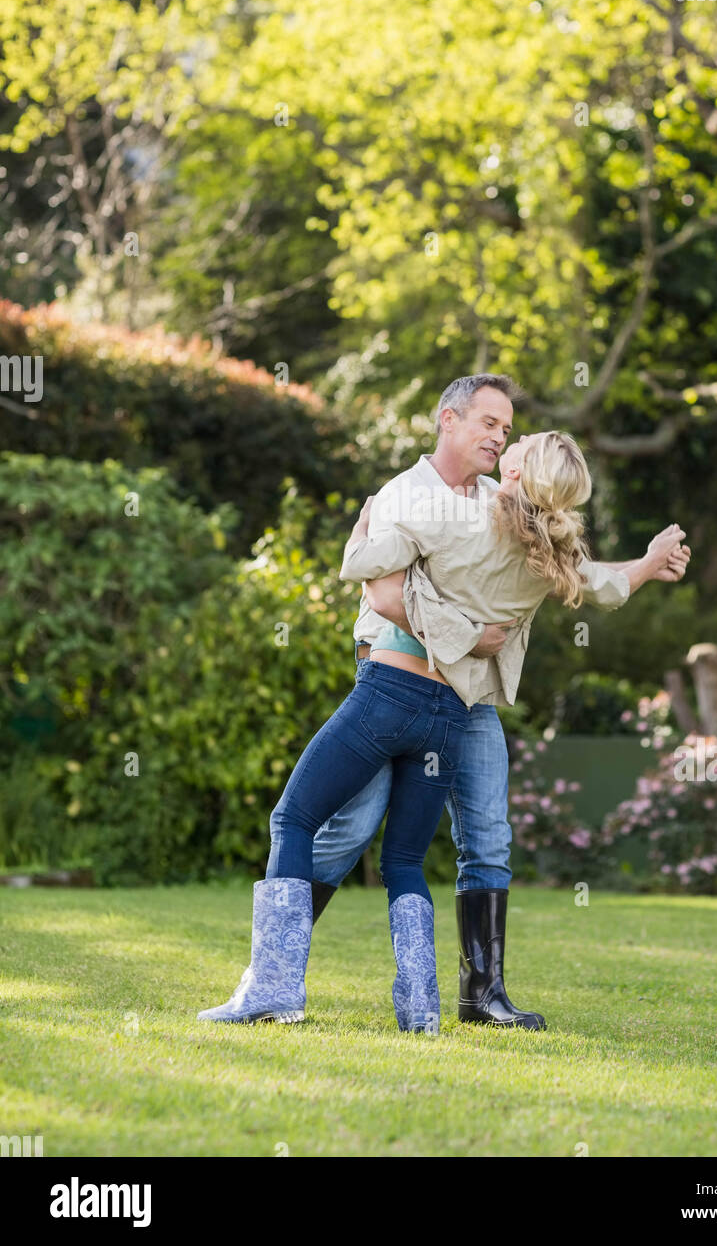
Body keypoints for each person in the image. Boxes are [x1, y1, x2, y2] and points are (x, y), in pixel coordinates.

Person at [197, 427, 688, 1034]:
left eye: (514, 435)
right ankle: (420, 1010)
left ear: (515, 473)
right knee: (403, 855)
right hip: (450, 708)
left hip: (394, 691)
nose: (508, 435)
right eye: (499, 425)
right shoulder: (548, 554)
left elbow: (369, 577)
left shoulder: (455, 514)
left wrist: (366, 525)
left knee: (294, 819)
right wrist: (645, 563)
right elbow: (599, 584)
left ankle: (274, 987)